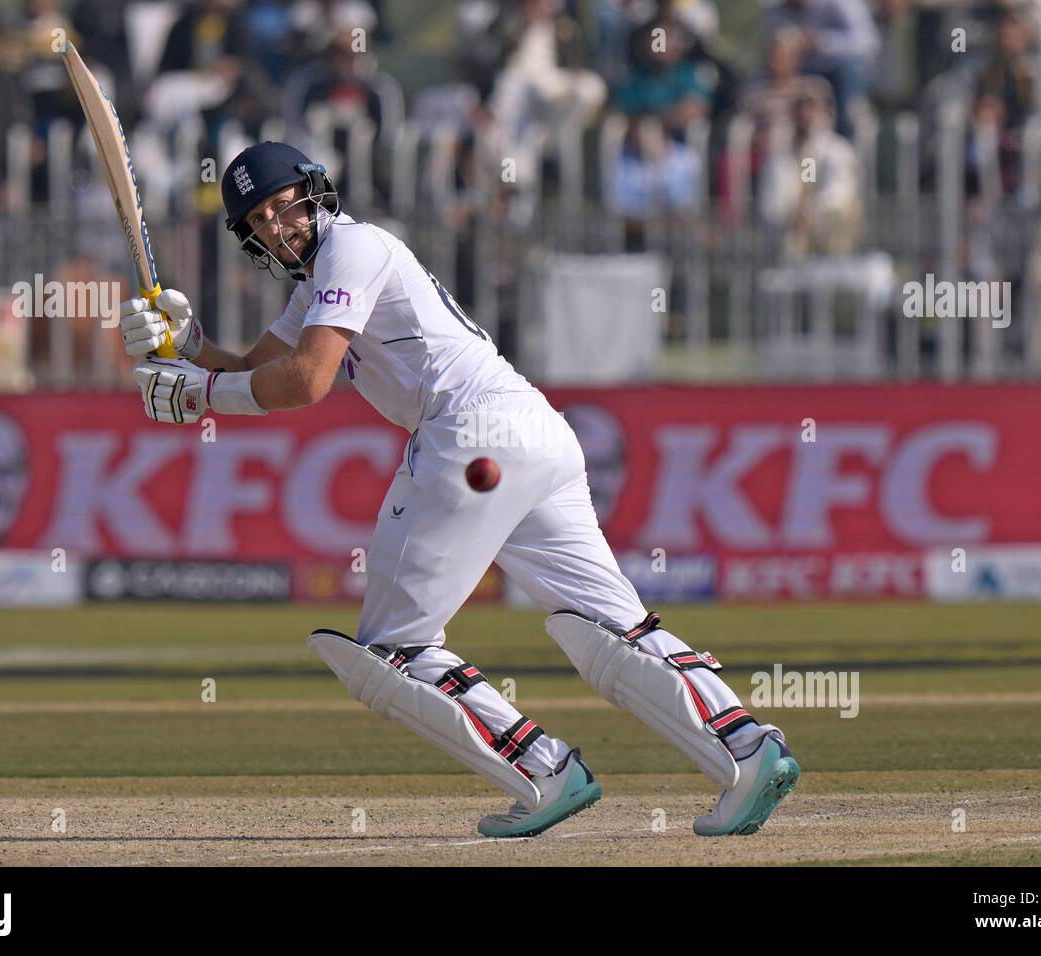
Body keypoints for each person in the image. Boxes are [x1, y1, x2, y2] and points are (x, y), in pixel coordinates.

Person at [118, 141, 799, 837]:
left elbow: (307, 381)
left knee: (392, 649)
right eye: (258, 219)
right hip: (534, 432)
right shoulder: (319, 286)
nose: (276, 223)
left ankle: (543, 769)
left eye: (282, 203)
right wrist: (189, 342)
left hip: (470, 435)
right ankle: (748, 748)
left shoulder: (353, 247)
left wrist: (201, 396)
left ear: (315, 191)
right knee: (611, 630)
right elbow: (255, 366)